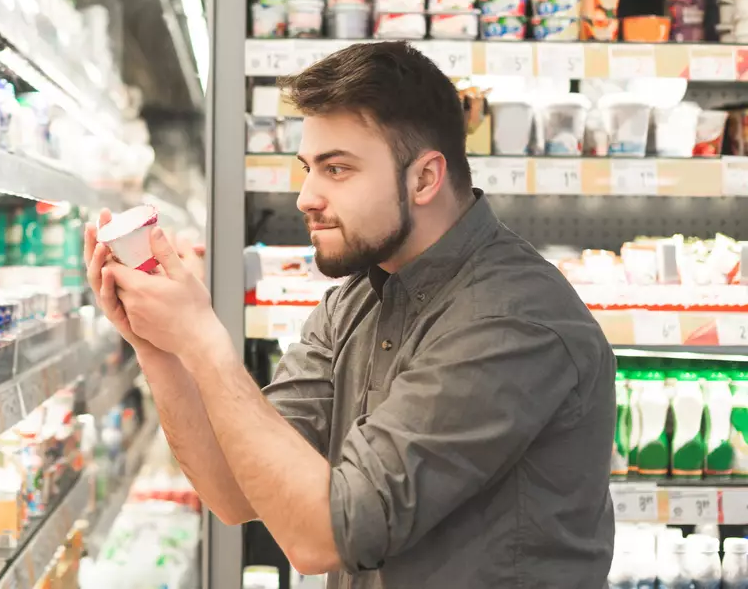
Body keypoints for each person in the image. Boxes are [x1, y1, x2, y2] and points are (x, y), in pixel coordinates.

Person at [84, 41, 616, 588]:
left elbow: (325, 537)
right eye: (308, 168)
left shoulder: (512, 321)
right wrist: (160, 347)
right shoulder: (356, 298)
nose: (305, 197)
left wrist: (205, 343)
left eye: (337, 169)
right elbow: (234, 491)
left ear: (425, 179)